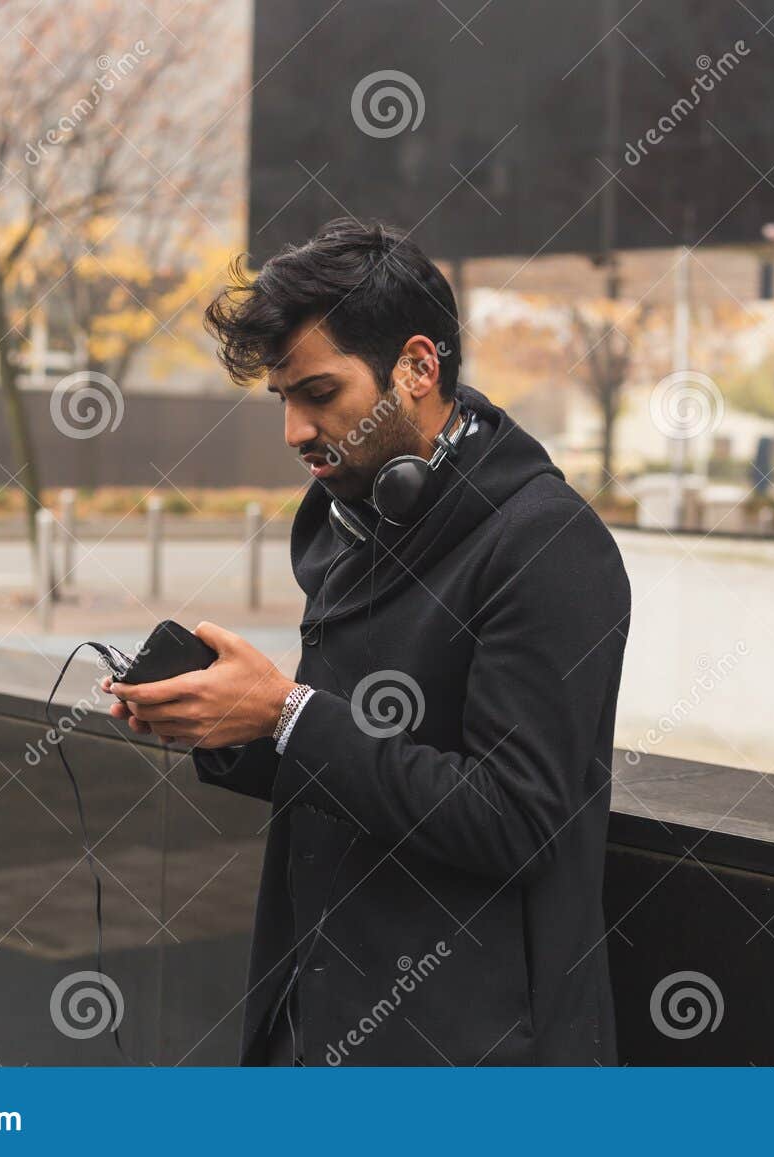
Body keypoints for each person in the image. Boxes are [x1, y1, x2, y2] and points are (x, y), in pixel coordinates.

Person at [103, 218, 632, 1066]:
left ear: (418, 368)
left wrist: (287, 715)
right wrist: (227, 724)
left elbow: (516, 819)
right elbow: (357, 762)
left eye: (319, 393)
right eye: (283, 399)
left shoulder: (545, 543)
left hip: (469, 1050)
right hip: (310, 1013)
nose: (294, 431)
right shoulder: (359, 520)